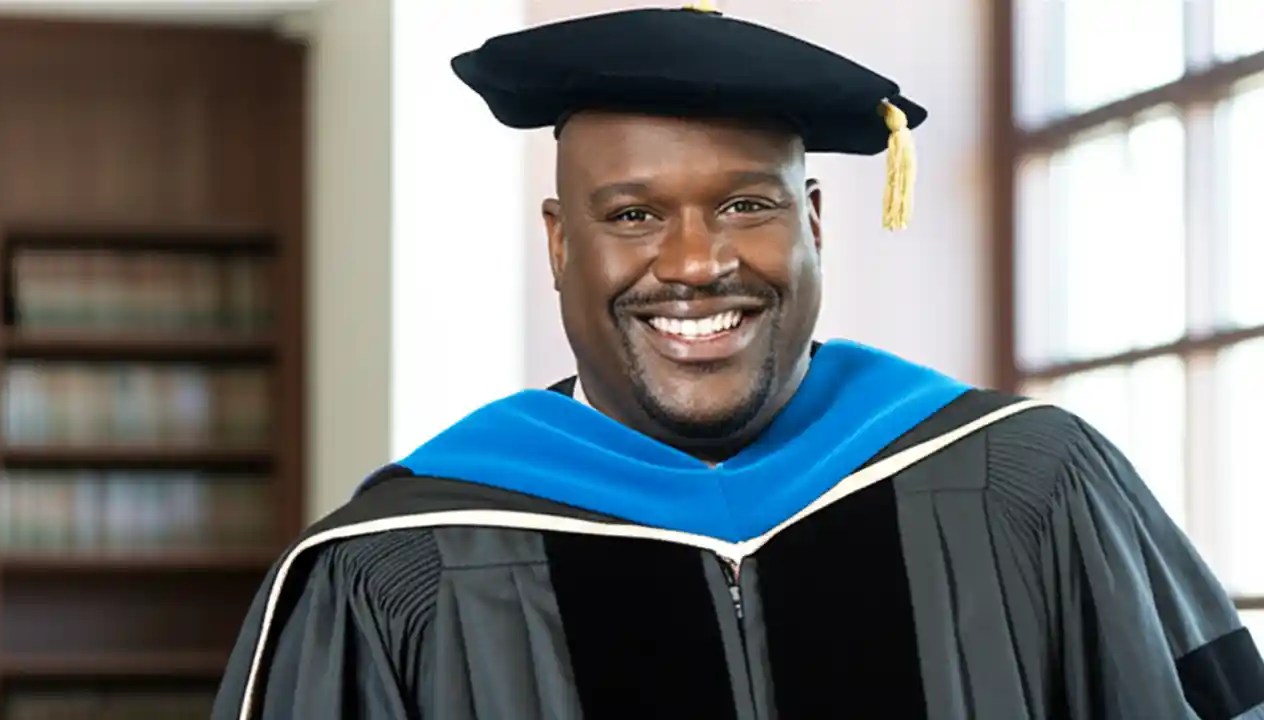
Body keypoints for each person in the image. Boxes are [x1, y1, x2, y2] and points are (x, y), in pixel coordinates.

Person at [214, 5, 1264, 719]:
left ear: (813, 220)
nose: (696, 263)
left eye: (745, 205)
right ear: (558, 244)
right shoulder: (394, 564)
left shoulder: (1030, 484)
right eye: (631, 214)